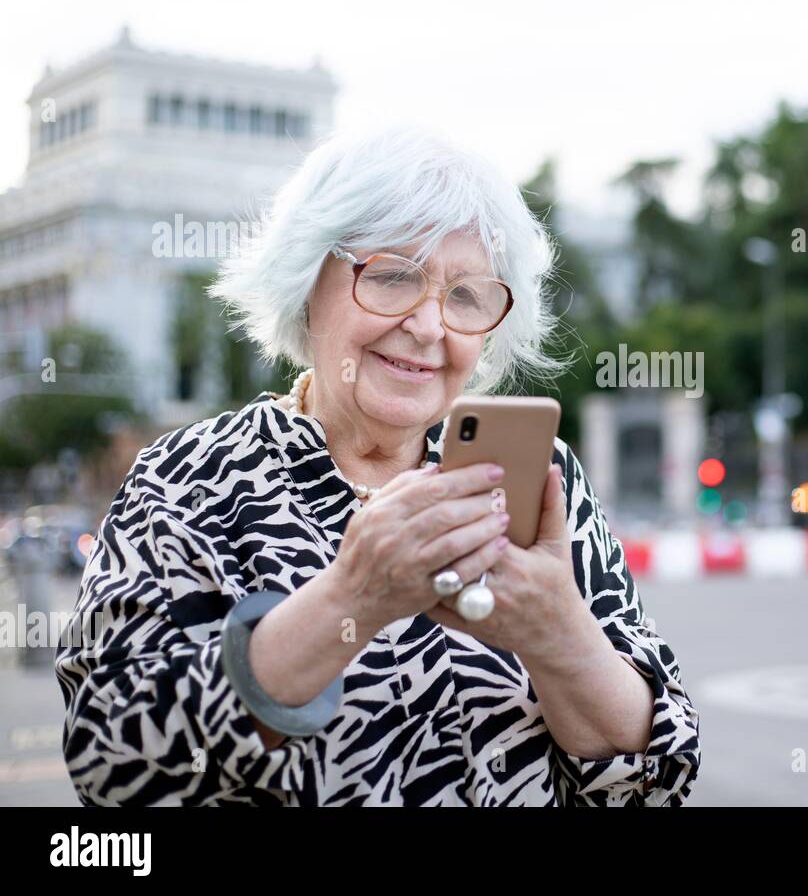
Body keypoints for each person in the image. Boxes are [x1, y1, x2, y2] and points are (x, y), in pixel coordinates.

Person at [53, 125, 700, 806]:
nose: (429, 326)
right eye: (392, 277)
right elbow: (111, 760)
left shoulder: (542, 479)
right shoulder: (187, 479)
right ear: (307, 282)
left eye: (466, 297)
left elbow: (660, 776)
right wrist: (352, 597)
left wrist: (558, 637)